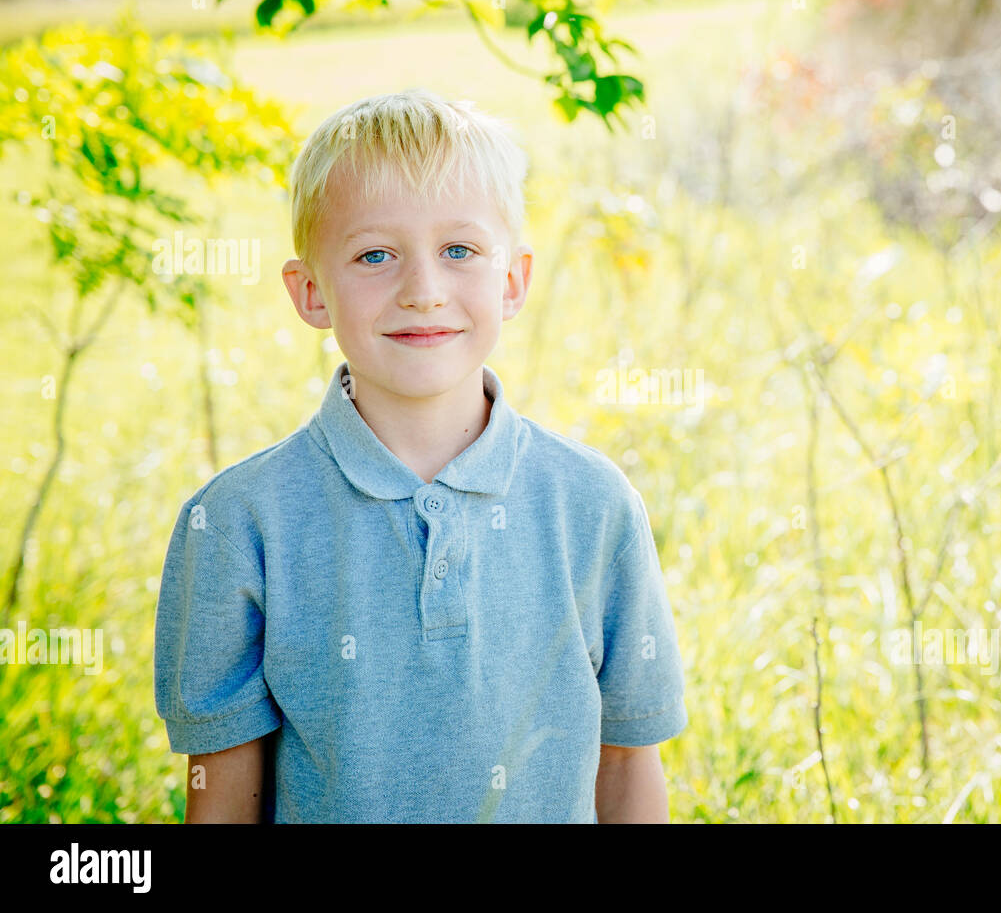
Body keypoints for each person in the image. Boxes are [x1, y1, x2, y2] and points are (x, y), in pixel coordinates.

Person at [153, 89, 688, 823]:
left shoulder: (591, 503)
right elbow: (222, 782)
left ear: (512, 282)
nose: (424, 291)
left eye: (458, 251)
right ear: (310, 292)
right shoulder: (240, 520)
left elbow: (627, 761)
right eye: (375, 254)